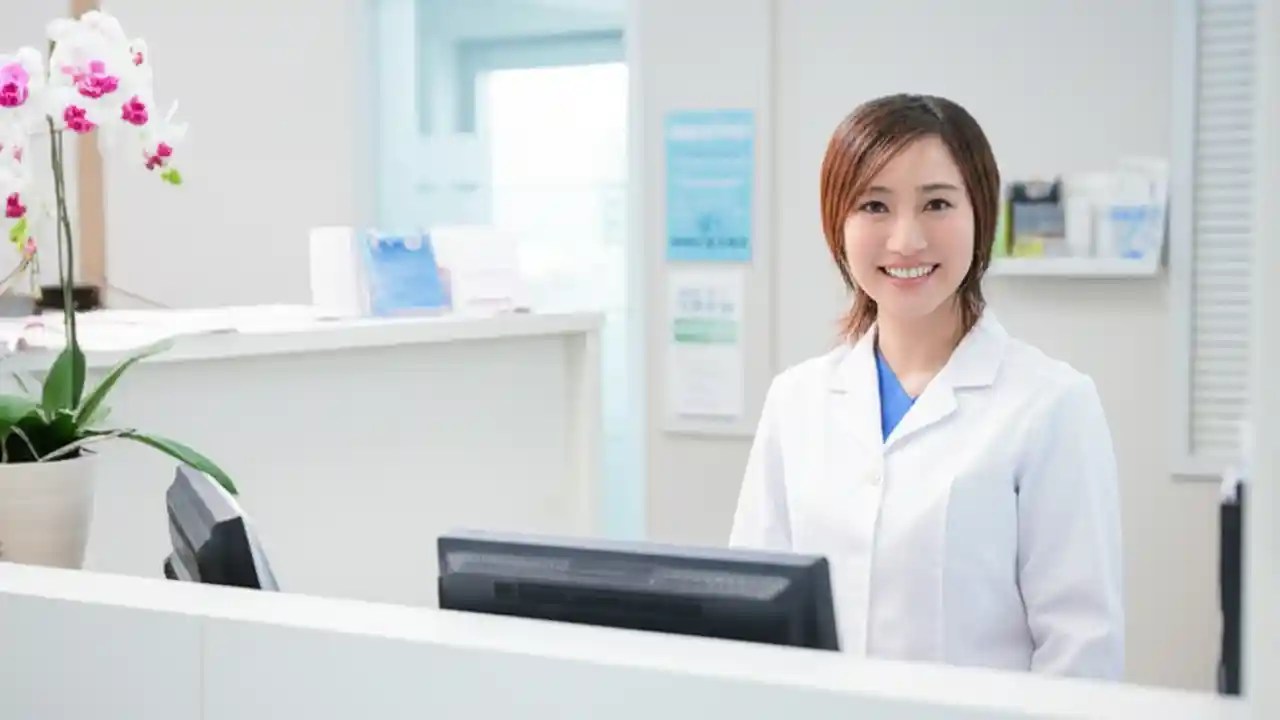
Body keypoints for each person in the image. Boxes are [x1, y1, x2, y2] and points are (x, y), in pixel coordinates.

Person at [729, 94, 1124, 680]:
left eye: (936, 203)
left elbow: (1080, 652)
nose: (906, 239)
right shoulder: (796, 401)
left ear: (980, 213)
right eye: (874, 205)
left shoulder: (1052, 405)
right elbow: (751, 619)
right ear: (838, 225)